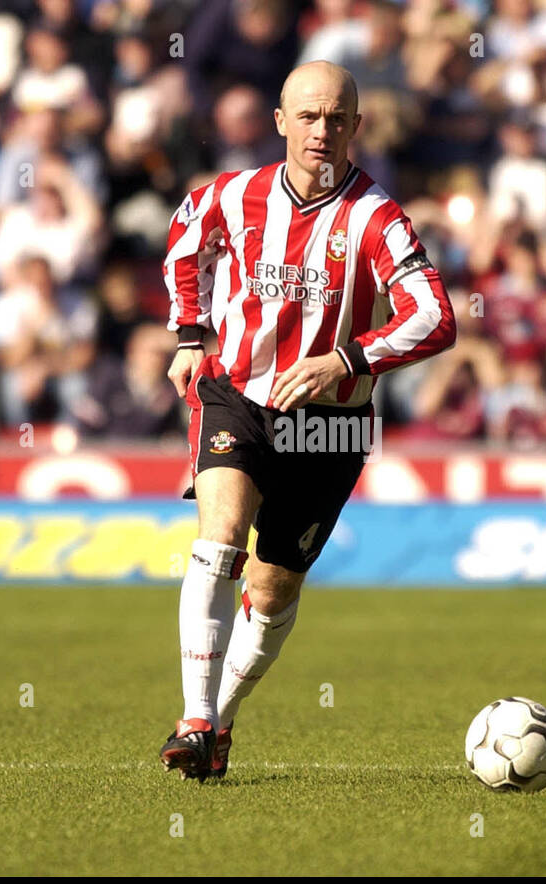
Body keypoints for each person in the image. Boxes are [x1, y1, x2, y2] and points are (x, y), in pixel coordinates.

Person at [158, 61, 456, 781]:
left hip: (330, 427)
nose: (322, 131)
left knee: (271, 588)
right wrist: (190, 337)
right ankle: (195, 717)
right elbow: (183, 241)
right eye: (309, 116)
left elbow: (437, 319)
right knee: (219, 538)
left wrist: (348, 360)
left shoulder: (376, 216)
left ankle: (220, 721)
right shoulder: (234, 196)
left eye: (337, 118)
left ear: (357, 126)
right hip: (239, 397)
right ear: (281, 122)